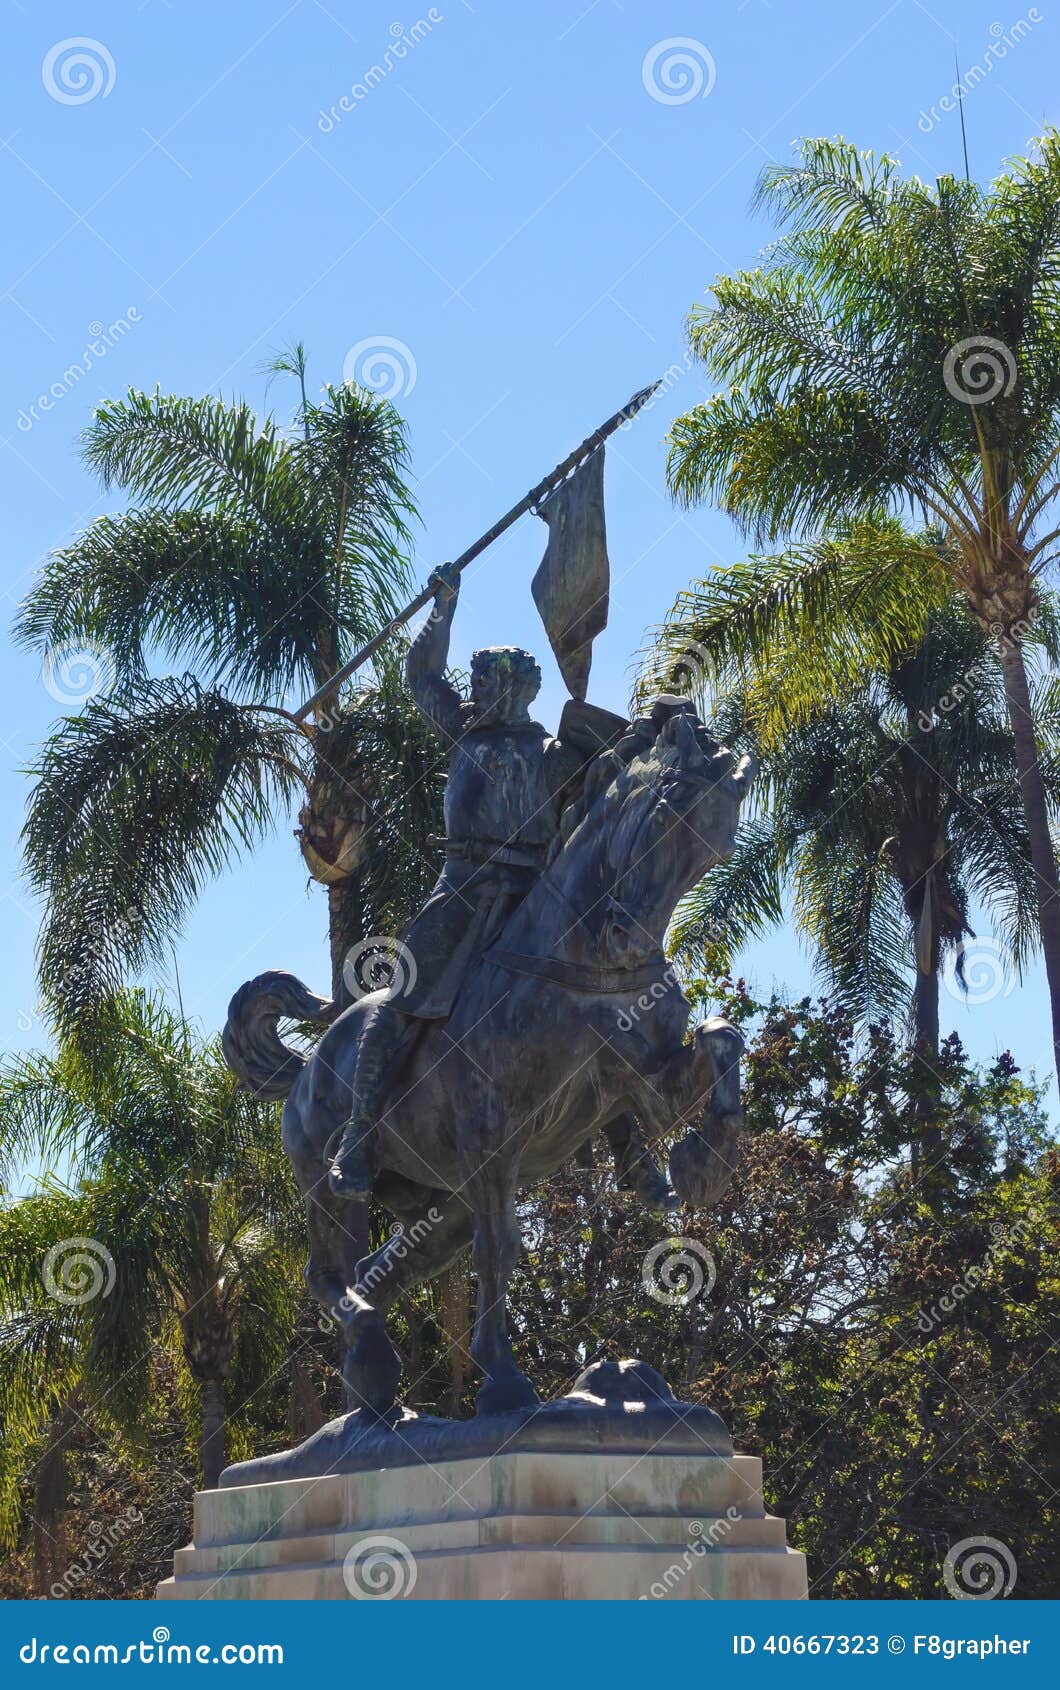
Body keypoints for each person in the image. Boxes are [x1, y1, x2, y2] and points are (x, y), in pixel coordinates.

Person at [327, 562, 671, 1209]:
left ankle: (634, 1153)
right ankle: (359, 1133)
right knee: (398, 1000)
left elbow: (616, 777)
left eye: (487, 681)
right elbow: (420, 674)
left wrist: (644, 735)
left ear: (516, 690)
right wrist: (444, 608)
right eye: (478, 679)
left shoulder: (554, 755)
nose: (477, 689)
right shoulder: (462, 730)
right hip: (460, 892)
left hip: (534, 898)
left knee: (599, 1008)